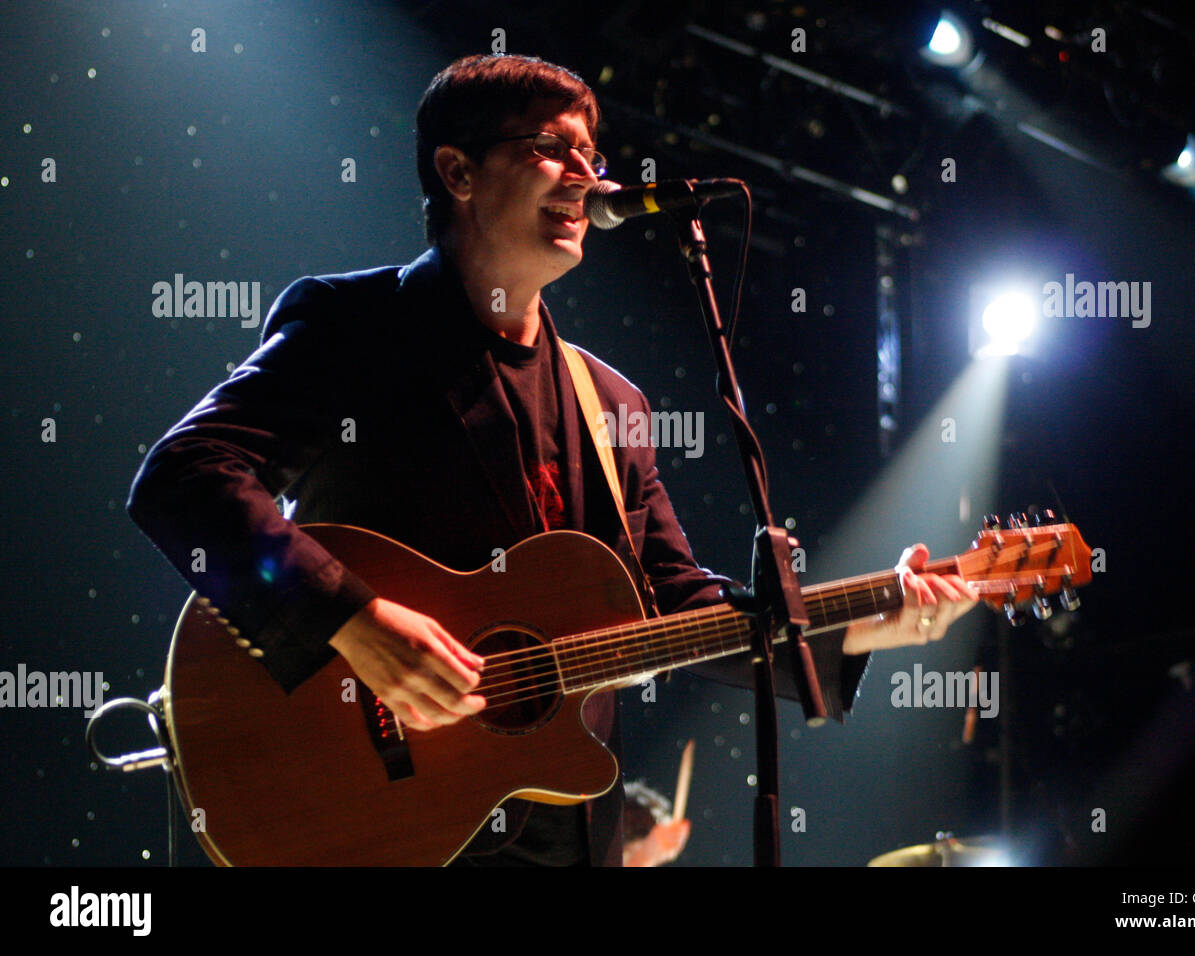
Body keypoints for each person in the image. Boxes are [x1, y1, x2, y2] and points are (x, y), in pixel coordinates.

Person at [127, 53, 977, 866]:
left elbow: (673, 604)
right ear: (457, 172)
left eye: (591, 152)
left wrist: (866, 621)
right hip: (388, 821)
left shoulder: (612, 405)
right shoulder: (356, 328)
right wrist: (354, 621)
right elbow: (185, 477)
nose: (587, 176)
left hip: (568, 836)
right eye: (550, 148)